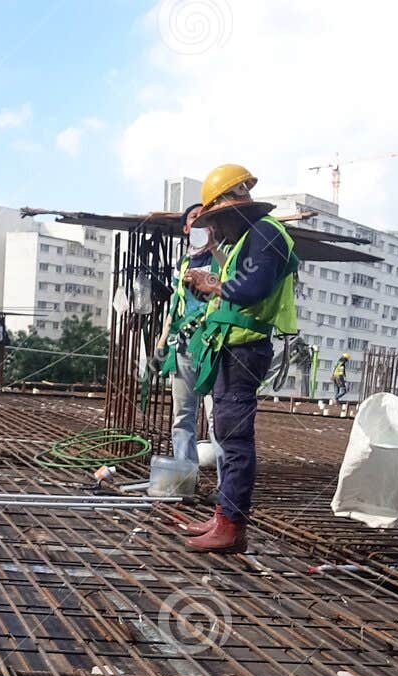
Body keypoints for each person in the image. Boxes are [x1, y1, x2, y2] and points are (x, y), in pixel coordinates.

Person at [179, 163, 299, 554]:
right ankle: (223, 516)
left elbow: (252, 288)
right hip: (231, 349)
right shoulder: (251, 237)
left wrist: (210, 284)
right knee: (226, 436)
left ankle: (231, 527)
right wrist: (205, 287)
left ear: (232, 206)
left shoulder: (266, 233)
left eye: (216, 220)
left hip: (244, 351)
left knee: (233, 439)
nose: (215, 231)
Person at [153, 204, 221, 471]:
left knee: (219, 417)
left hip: (212, 348)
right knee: (182, 415)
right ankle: (185, 475)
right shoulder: (182, 264)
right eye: (195, 217)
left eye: (207, 217)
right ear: (186, 228)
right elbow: (176, 306)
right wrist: (162, 342)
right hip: (183, 346)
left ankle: (225, 485)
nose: (201, 221)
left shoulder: (221, 257)